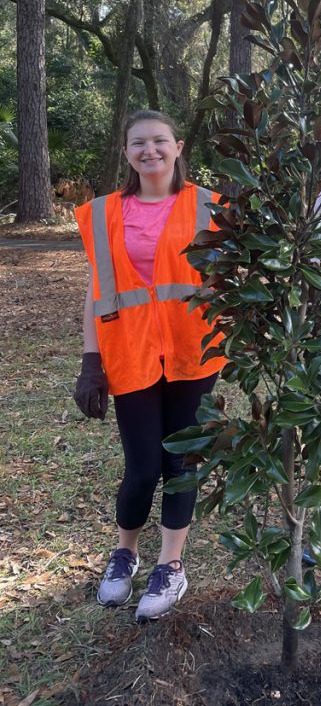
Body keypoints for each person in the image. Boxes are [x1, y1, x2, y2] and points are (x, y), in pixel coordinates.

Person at [73, 110, 223, 620]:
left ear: (178, 147)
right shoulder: (103, 212)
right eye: (140, 143)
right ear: (126, 151)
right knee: (142, 468)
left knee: (181, 465)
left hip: (193, 354)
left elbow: (234, 279)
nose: (150, 151)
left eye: (160, 141)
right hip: (130, 355)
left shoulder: (210, 206)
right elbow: (98, 289)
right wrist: (91, 361)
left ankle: (171, 565)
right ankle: (125, 554)